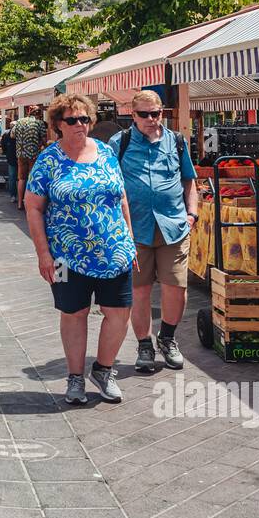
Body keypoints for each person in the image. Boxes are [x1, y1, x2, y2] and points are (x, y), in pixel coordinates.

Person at [24, 93, 136, 405]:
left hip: (114, 250)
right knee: (74, 313)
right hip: (64, 255)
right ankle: (75, 377)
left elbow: (121, 197)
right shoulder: (49, 160)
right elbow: (33, 207)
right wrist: (43, 254)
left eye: (85, 118)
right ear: (58, 124)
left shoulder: (105, 152)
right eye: (72, 120)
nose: (80, 124)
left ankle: (103, 369)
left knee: (119, 313)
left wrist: (130, 239)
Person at [109, 90, 197, 373]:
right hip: (134, 228)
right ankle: (144, 344)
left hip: (173, 226)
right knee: (140, 291)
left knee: (176, 288)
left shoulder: (177, 141)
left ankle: (168, 339)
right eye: (144, 114)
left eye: (156, 113)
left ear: (162, 112)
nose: (151, 119)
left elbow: (188, 181)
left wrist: (192, 214)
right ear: (132, 115)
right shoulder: (118, 143)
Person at [12, 106, 46, 209]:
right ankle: (28, 203)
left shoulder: (19, 121)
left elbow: (12, 135)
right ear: (38, 114)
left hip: (20, 154)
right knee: (32, 178)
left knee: (21, 178)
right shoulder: (39, 123)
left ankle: (19, 204)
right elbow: (45, 140)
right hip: (33, 154)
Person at [0, 120, 18, 199]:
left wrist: (5, 152)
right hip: (20, 156)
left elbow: (3, 145)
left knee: (12, 176)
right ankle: (21, 195)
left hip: (11, 157)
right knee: (22, 177)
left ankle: (13, 195)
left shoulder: (6, 134)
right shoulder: (19, 134)